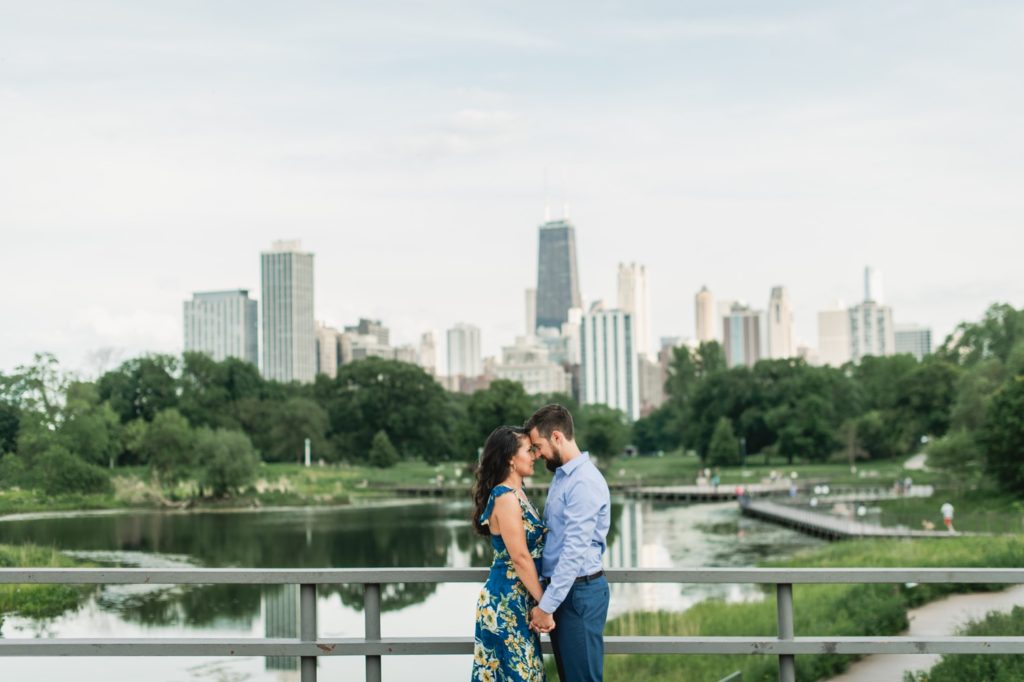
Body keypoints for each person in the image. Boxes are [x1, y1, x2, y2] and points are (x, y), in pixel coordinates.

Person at [525, 404, 611, 682]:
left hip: (579, 594)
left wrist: (546, 606)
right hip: (566, 592)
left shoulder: (583, 482)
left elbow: (574, 552)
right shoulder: (563, 477)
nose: (537, 454)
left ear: (557, 437)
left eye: (538, 446)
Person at [471, 426, 548, 682]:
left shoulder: (519, 494)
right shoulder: (504, 497)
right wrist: (546, 604)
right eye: (529, 450)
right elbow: (520, 557)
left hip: (520, 601)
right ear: (510, 459)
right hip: (505, 604)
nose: (535, 455)